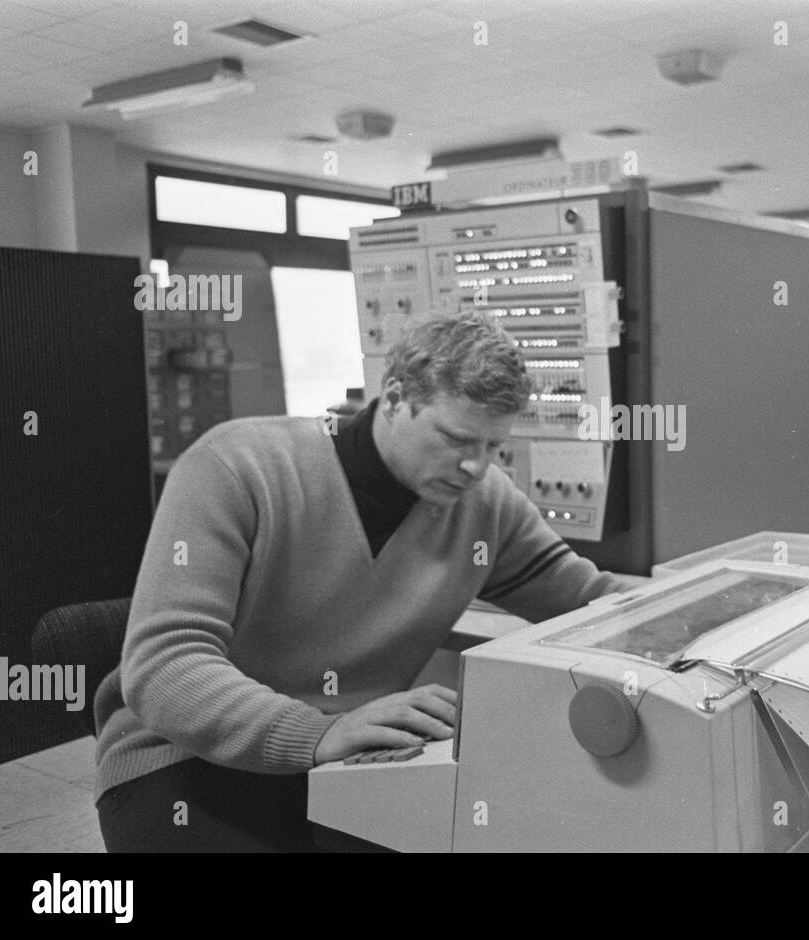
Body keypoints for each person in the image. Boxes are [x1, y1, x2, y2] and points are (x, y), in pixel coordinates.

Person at [94, 311, 632, 852]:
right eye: (456, 439)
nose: (475, 467)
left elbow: (592, 604)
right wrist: (317, 732)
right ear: (395, 399)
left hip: (357, 756)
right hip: (185, 757)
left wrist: (697, 609)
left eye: (494, 447)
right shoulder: (237, 466)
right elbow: (164, 667)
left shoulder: (487, 505)